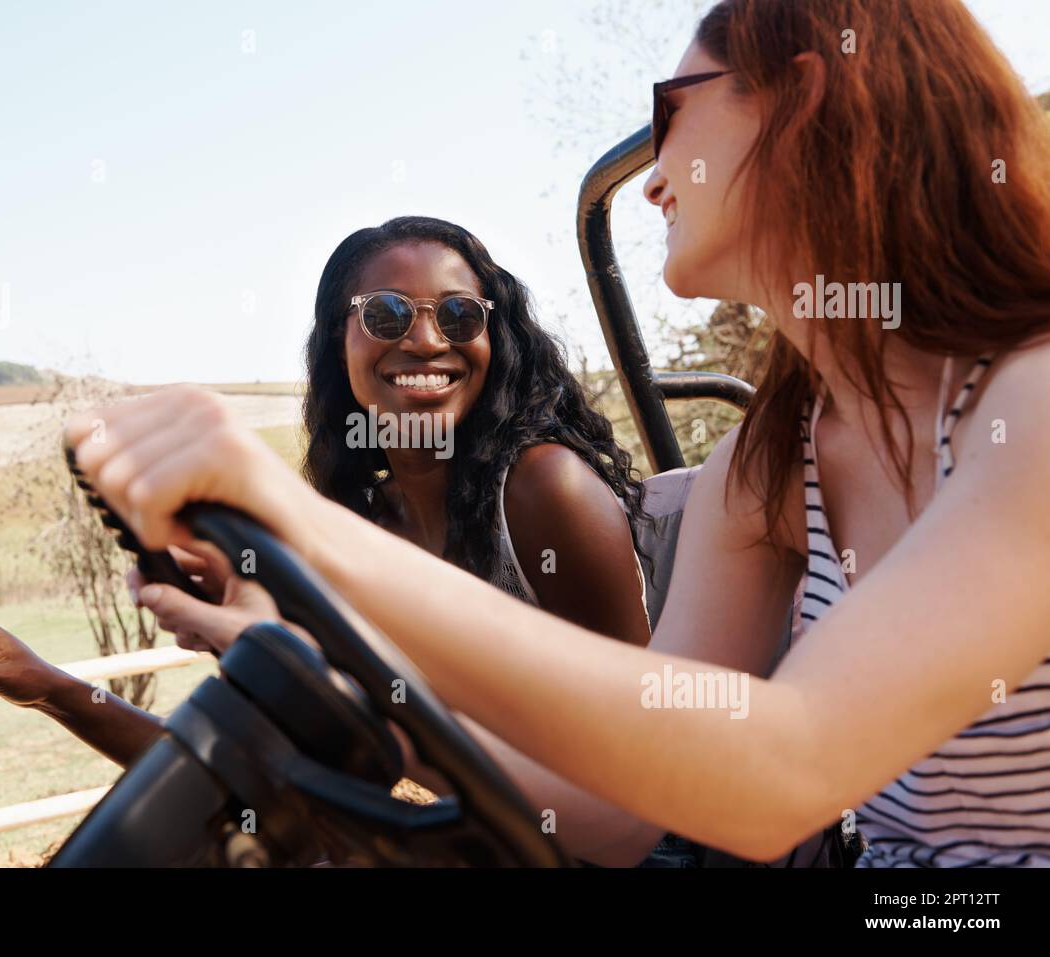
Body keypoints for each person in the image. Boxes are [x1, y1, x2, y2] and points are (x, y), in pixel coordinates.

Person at [58, 0, 1050, 867]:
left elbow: (782, 768)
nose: (656, 172)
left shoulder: (1030, 402)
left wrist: (298, 524)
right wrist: (359, 698)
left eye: (673, 109)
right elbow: (625, 810)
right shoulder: (769, 460)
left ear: (799, 102)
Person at [130, 215, 651, 654]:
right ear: (341, 343)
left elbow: (642, 735)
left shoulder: (545, 490)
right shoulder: (364, 522)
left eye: (459, 315)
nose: (426, 341)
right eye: (386, 314)